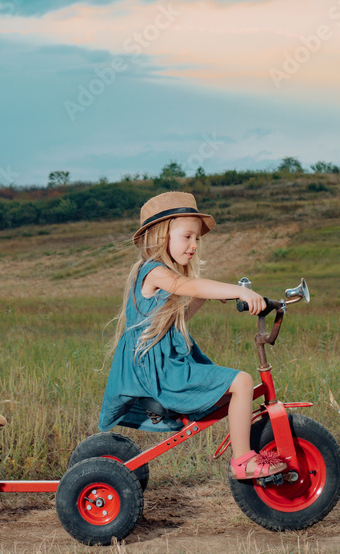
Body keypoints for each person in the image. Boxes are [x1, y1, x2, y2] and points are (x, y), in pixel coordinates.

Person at [98, 191, 287, 480]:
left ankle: (243, 446)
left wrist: (201, 299)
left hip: (163, 366)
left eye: (197, 238)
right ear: (161, 237)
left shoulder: (157, 274)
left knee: (231, 389)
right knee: (242, 382)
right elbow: (190, 286)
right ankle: (242, 461)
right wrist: (239, 291)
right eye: (187, 236)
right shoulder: (153, 271)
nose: (194, 245)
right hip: (162, 372)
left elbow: (175, 320)